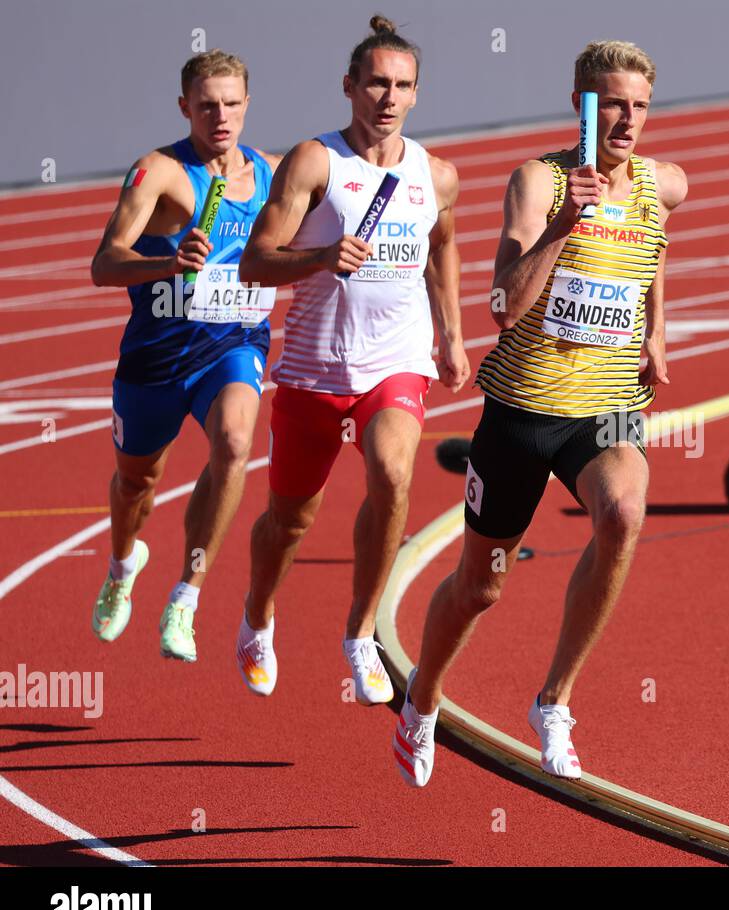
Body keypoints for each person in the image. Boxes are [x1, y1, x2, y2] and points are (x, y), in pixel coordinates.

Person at [393, 39, 687, 786]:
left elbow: (653, 249)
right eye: (614, 103)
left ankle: (554, 701)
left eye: (641, 105)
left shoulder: (664, 184)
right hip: (522, 411)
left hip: (609, 407)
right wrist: (566, 226)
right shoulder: (540, 183)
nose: (628, 119)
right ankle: (423, 699)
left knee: (623, 511)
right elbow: (503, 304)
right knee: (480, 586)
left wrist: (654, 328)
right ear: (583, 105)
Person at [236, 15, 469, 702]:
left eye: (402, 86)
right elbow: (255, 263)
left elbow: (444, 245)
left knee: (395, 474)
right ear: (350, 87)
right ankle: (257, 615)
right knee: (290, 520)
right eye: (375, 83)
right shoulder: (315, 162)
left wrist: (452, 334)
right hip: (314, 367)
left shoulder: (438, 175)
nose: (388, 98)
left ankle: (361, 632)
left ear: (417, 94)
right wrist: (319, 256)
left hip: (397, 360)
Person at [90, 50, 280, 663]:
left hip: (232, 344)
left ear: (248, 103)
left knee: (234, 441)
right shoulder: (161, 173)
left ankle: (185, 596)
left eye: (230, 103)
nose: (219, 115)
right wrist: (167, 263)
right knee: (135, 483)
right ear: (184, 108)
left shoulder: (273, 174)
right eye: (206, 105)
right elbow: (104, 262)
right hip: (156, 355)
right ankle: (124, 565)